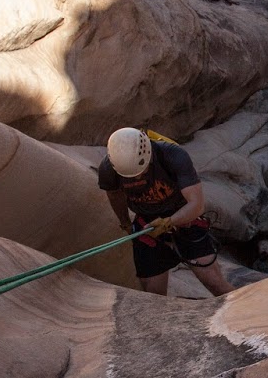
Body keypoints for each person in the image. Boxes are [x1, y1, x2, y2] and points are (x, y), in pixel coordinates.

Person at [99, 127, 234, 297]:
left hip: (186, 219)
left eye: (142, 171)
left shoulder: (172, 155)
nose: (137, 178)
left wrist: (168, 222)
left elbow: (197, 205)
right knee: (154, 294)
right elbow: (114, 195)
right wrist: (125, 221)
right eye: (131, 176)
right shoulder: (109, 169)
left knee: (216, 284)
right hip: (146, 225)